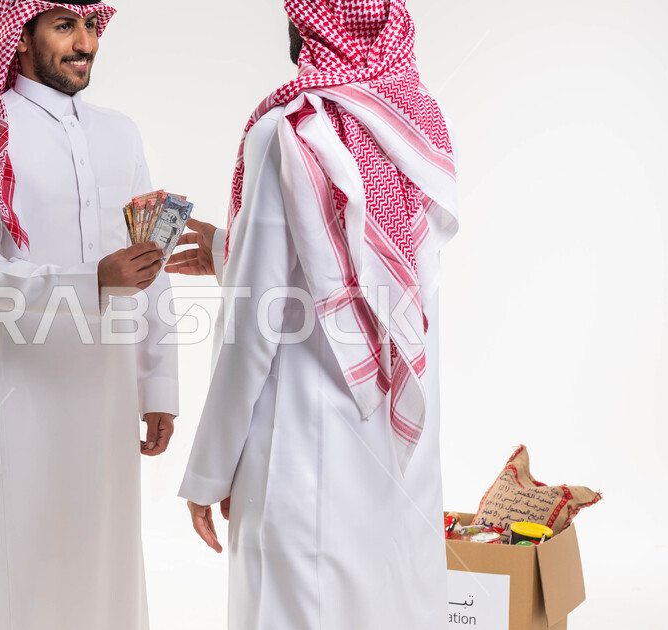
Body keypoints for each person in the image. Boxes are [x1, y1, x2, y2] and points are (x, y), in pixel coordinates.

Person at [167, 1, 459, 628]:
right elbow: (371, 264)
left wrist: (207, 473)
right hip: (396, 445)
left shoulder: (287, 130)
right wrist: (230, 248)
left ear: (311, 24)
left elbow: (254, 328)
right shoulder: (419, 123)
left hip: (303, 454)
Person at [0, 2, 178, 629]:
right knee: (10, 563)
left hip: (105, 390)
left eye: (91, 26)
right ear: (23, 37)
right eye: (65, 26)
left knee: (100, 560)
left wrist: (158, 385)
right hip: (13, 393)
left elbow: (152, 263)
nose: (85, 41)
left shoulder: (122, 133)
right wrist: (91, 280)